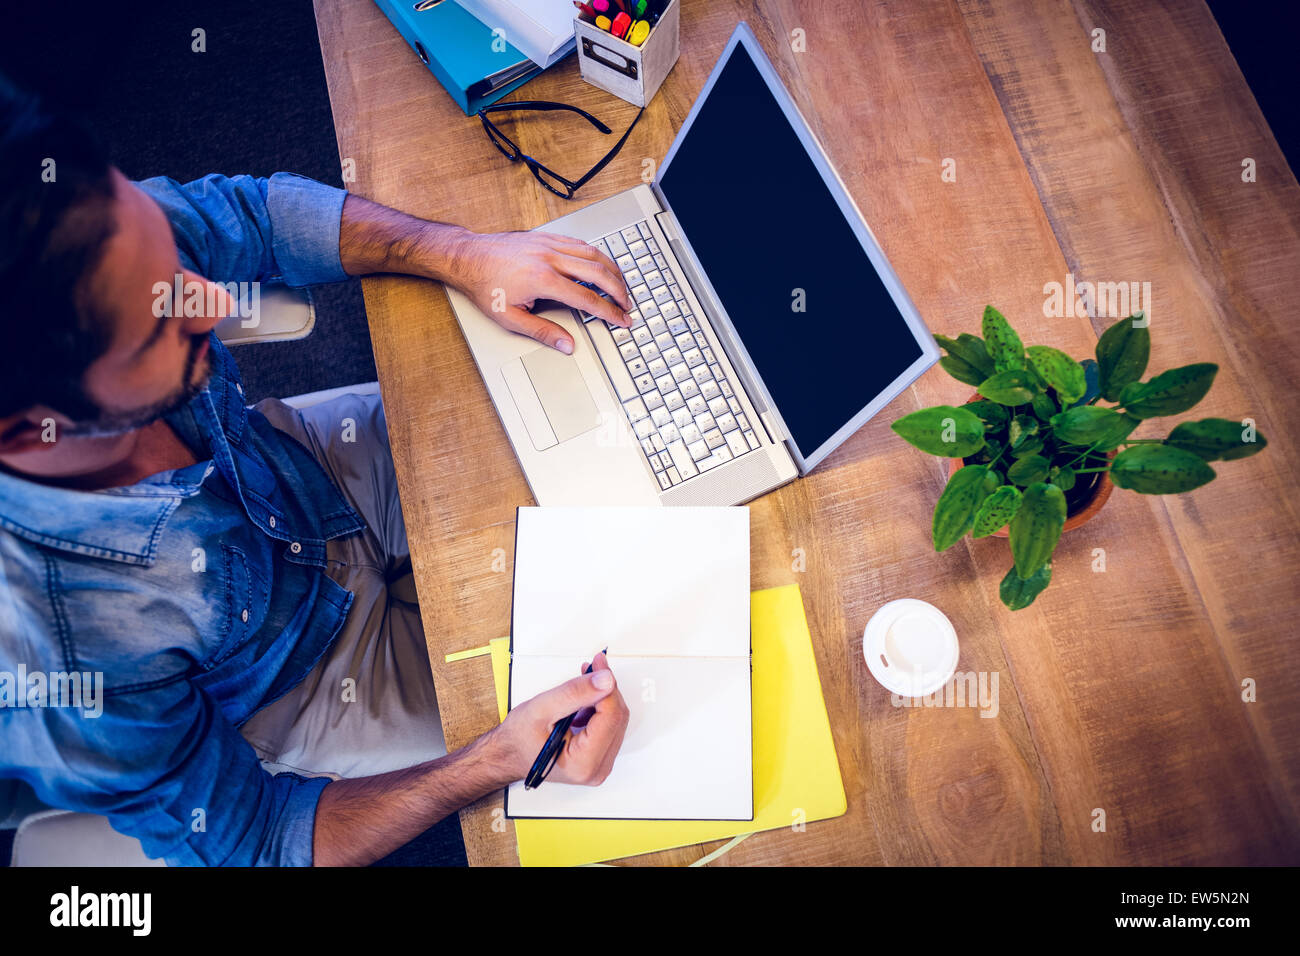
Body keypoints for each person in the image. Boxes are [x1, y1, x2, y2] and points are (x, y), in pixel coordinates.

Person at [0, 78, 631, 866]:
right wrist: (493, 762)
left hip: (307, 466)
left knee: (619, 457)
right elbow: (262, 841)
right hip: (312, 681)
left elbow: (256, 215)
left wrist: (465, 253)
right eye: (162, 320)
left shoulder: (66, 230)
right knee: (634, 667)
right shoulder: (60, 660)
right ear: (26, 431)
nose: (212, 301)